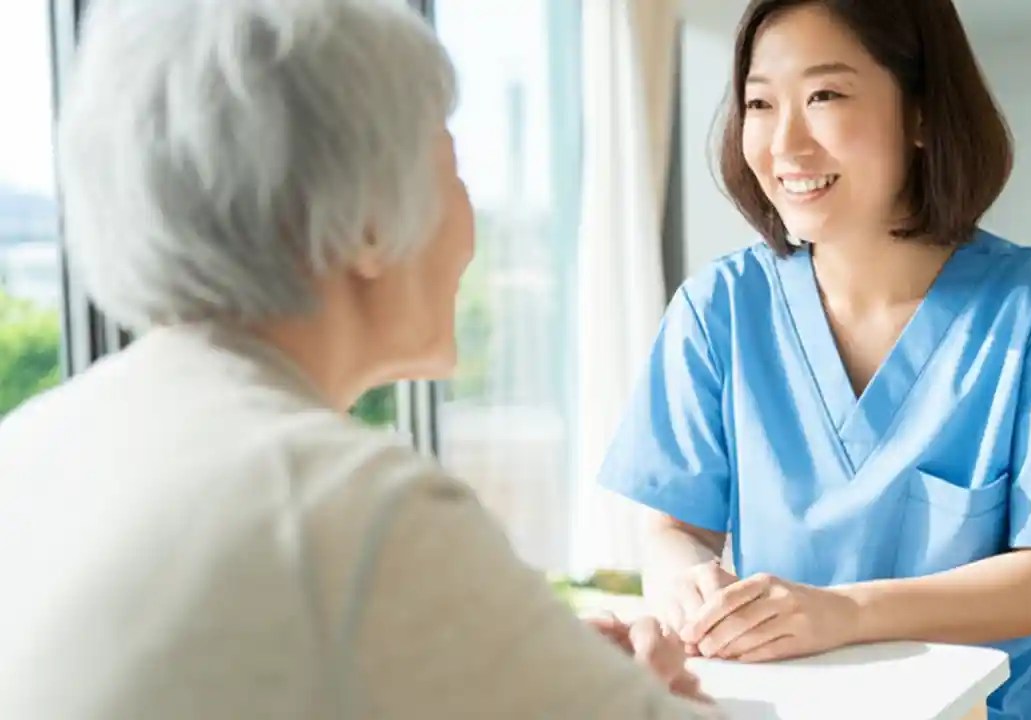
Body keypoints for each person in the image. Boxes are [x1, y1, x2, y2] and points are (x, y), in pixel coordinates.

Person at [0, 0, 717, 718]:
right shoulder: (355, 506)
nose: (470, 221)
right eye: (452, 166)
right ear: (371, 218)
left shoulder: (31, 448)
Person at [597, 1, 1031, 717]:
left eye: (824, 95)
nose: (784, 144)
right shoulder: (717, 311)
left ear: (922, 114)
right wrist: (691, 582)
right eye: (760, 103)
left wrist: (847, 612)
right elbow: (675, 528)